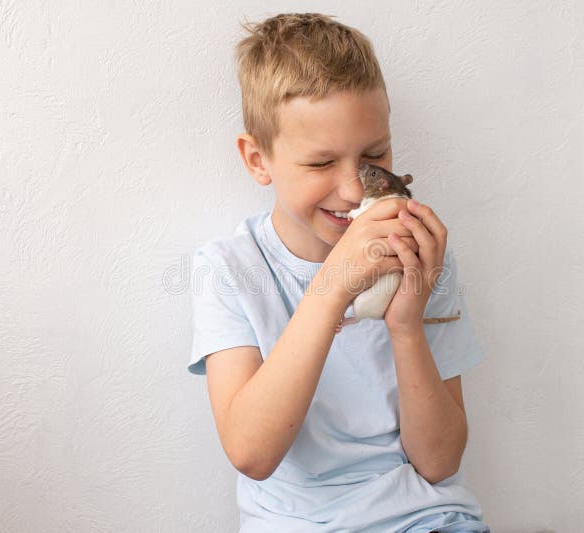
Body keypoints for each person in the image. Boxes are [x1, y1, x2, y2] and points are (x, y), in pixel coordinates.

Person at [187, 12, 491, 533]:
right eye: (320, 163)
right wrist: (331, 288)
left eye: (375, 155)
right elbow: (251, 453)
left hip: (427, 519)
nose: (355, 189)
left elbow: (439, 462)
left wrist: (405, 325)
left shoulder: (417, 256)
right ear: (258, 160)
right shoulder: (229, 269)